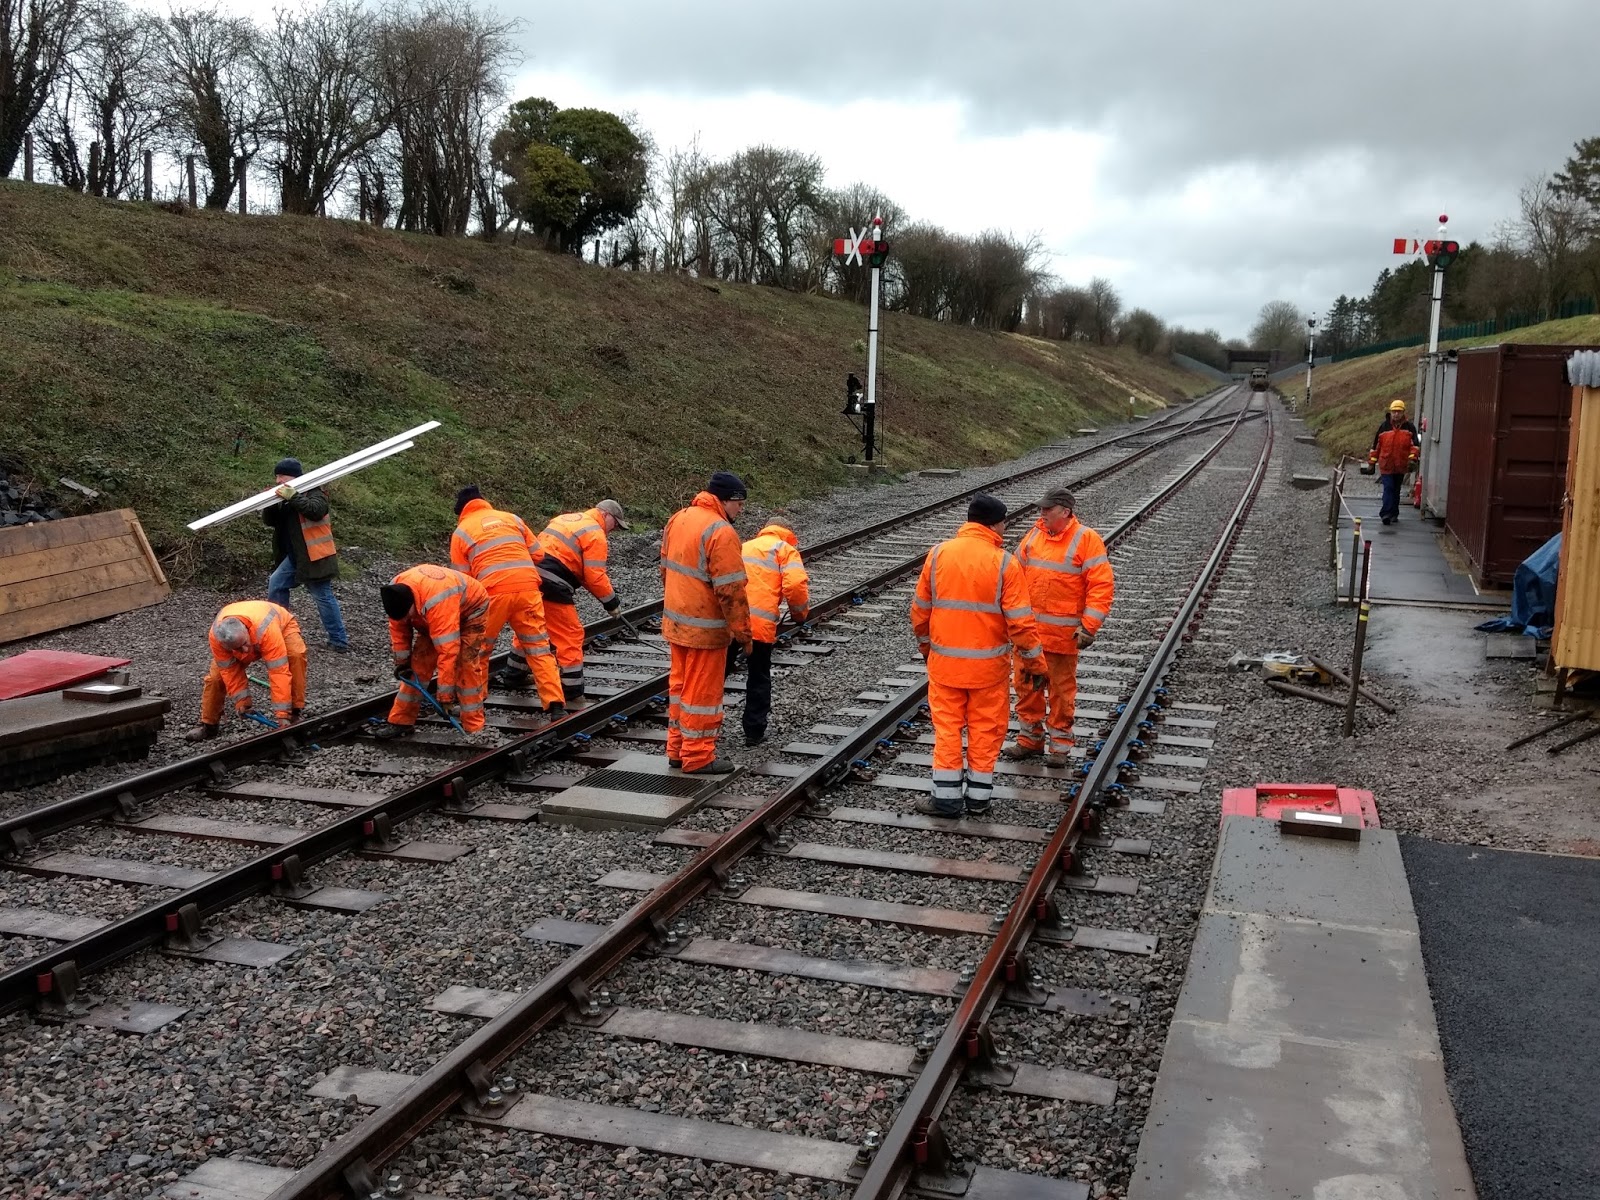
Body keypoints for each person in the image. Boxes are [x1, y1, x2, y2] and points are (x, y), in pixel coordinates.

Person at [910, 494, 1045, 817]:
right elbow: (1021, 623)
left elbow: (920, 612)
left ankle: (945, 800)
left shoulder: (938, 554)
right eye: (1004, 522)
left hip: (946, 667)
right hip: (989, 671)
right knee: (985, 731)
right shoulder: (1005, 563)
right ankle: (979, 800)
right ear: (995, 524)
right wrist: (1034, 662)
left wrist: (928, 650)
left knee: (947, 730)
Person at [1010, 487, 1115, 768]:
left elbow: (1101, 586)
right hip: (1029, 636)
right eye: (1042, 509)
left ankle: (1059, 747)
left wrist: (1089, 627)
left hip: (1061, 637)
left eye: (1048, 509)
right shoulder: (1034, 535)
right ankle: (1030, 740)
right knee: (1026, 688)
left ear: (1065, 512)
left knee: (1060, 692)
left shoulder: (1086, 539)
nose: (1042, 513)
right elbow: (1013, 575)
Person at [660, 472, 752, 774]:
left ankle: (677, 749)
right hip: (706, 630)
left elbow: (665, 570)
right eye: (739, 503)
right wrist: (743, 634)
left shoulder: (679, 518)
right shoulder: (721, 532)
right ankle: (698, 756)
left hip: (677, 624)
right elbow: (731, 591)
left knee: (679, 689)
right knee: (701, 695)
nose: (741, 509)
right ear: (725, 500)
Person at [449, 486, 565, 717]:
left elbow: (463, 579)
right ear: (484, 502)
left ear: (462, 511)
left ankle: (475, 704)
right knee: (538, 648)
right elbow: (538, 555)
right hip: (528, 590)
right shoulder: (512, 519)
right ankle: (555, 704)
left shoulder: (461, 532)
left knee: (479, 650)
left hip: (492, 594)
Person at [376, 564, 491, 738]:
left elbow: (448, 652)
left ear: (413, 605)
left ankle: (474, 726)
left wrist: (445, 697)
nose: (406, 620)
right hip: (433, 612)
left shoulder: (437, 602)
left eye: (408, 616)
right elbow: (399, 633)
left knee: (466, 664)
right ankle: (401, 721)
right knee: (418, 666)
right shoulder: (395, 595)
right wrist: (403, 663)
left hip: (471, 611)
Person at [536, 499, 629, 701]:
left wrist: (606, 599)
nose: (613, 530)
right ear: (605, 515)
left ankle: (514, 674)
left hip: (529, 576)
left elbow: (584, 574)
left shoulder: (567, 519)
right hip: (553, 582)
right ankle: (572, 690)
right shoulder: (595, 534)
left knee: (533, 626)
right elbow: (595, 576)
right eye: (615, 524)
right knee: (570, 634)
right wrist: (612, 603)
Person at [185, 601, 307, 741]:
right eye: (238, 648)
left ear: (247, 630)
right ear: (225, 645)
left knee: (295, 656)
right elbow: (229, 671)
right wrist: (242, 702)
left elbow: (278, 672)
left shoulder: (266, 630)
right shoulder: (216, 638)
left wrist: (282, 714)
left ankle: (294, 713)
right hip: (251, 635)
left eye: (244, 643)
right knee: (215, 678)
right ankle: (209, 725)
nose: (245, 650)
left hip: (281, 626)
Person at [735, 522, 810, 746]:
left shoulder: (744, 546)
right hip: (759, 625)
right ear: (788, 533)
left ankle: (702, 729)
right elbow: (795, 585)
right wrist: (799, 615)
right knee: (758, 676)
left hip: (729, 619)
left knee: (716, 675)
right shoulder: (785, 549)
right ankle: (754, 732)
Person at [263, 458, 350, 652]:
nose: (278, 480)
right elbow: (271, 522)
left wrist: (293, 496)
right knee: (276, 584)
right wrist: (268, 503)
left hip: (315, 557)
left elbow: (316, 511)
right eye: (276, 476)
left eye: (281, 476)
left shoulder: (314, 492)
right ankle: (280, 631)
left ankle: (339, 641)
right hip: (295, 557)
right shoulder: (285, 497)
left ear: (293, 476)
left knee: (322, 596)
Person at [1369, 399, 1421, 525]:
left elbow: (1414, 446)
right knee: (1388, 488)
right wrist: (1371, 463)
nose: (1396, 414)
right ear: (1390, 412)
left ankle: (1394, 513)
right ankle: (1386, 513)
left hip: (1401, 465)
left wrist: (1412, 459)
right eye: (1394, 411)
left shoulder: (1409, 428)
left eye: (1399, 411)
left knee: (1396, 489)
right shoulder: (1384, 427)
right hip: (1386, 464)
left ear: (1403, 412)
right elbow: (1376, 446)